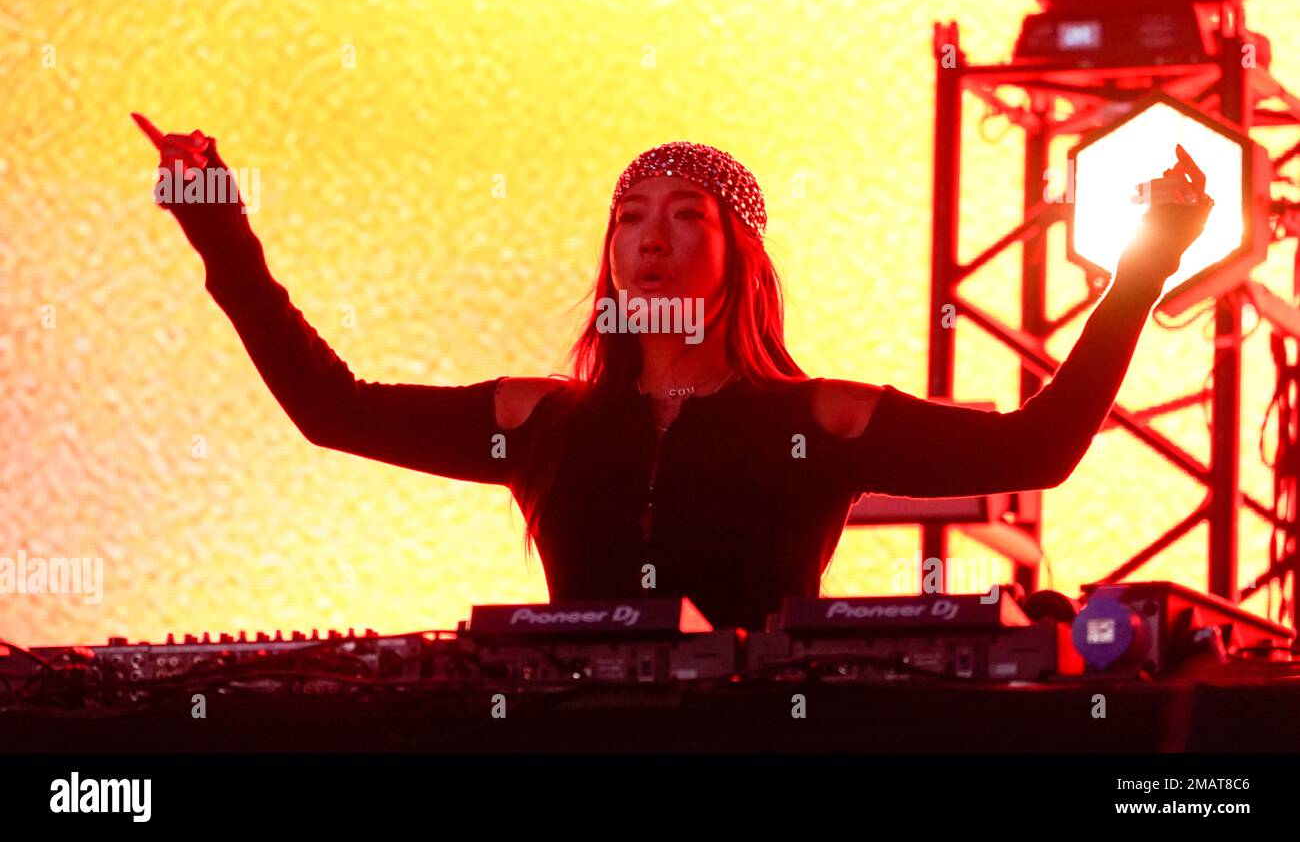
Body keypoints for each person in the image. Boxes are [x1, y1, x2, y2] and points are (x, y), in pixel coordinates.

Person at [140, 120, 1212, 631]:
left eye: (683, 216)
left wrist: (1143, 265)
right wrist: (221, 234)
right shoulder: (542, 418)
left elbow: (1038, 447)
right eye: (628, 217)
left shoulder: (820, 416)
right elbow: (334, 410)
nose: (649, 237)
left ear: (736, 258)